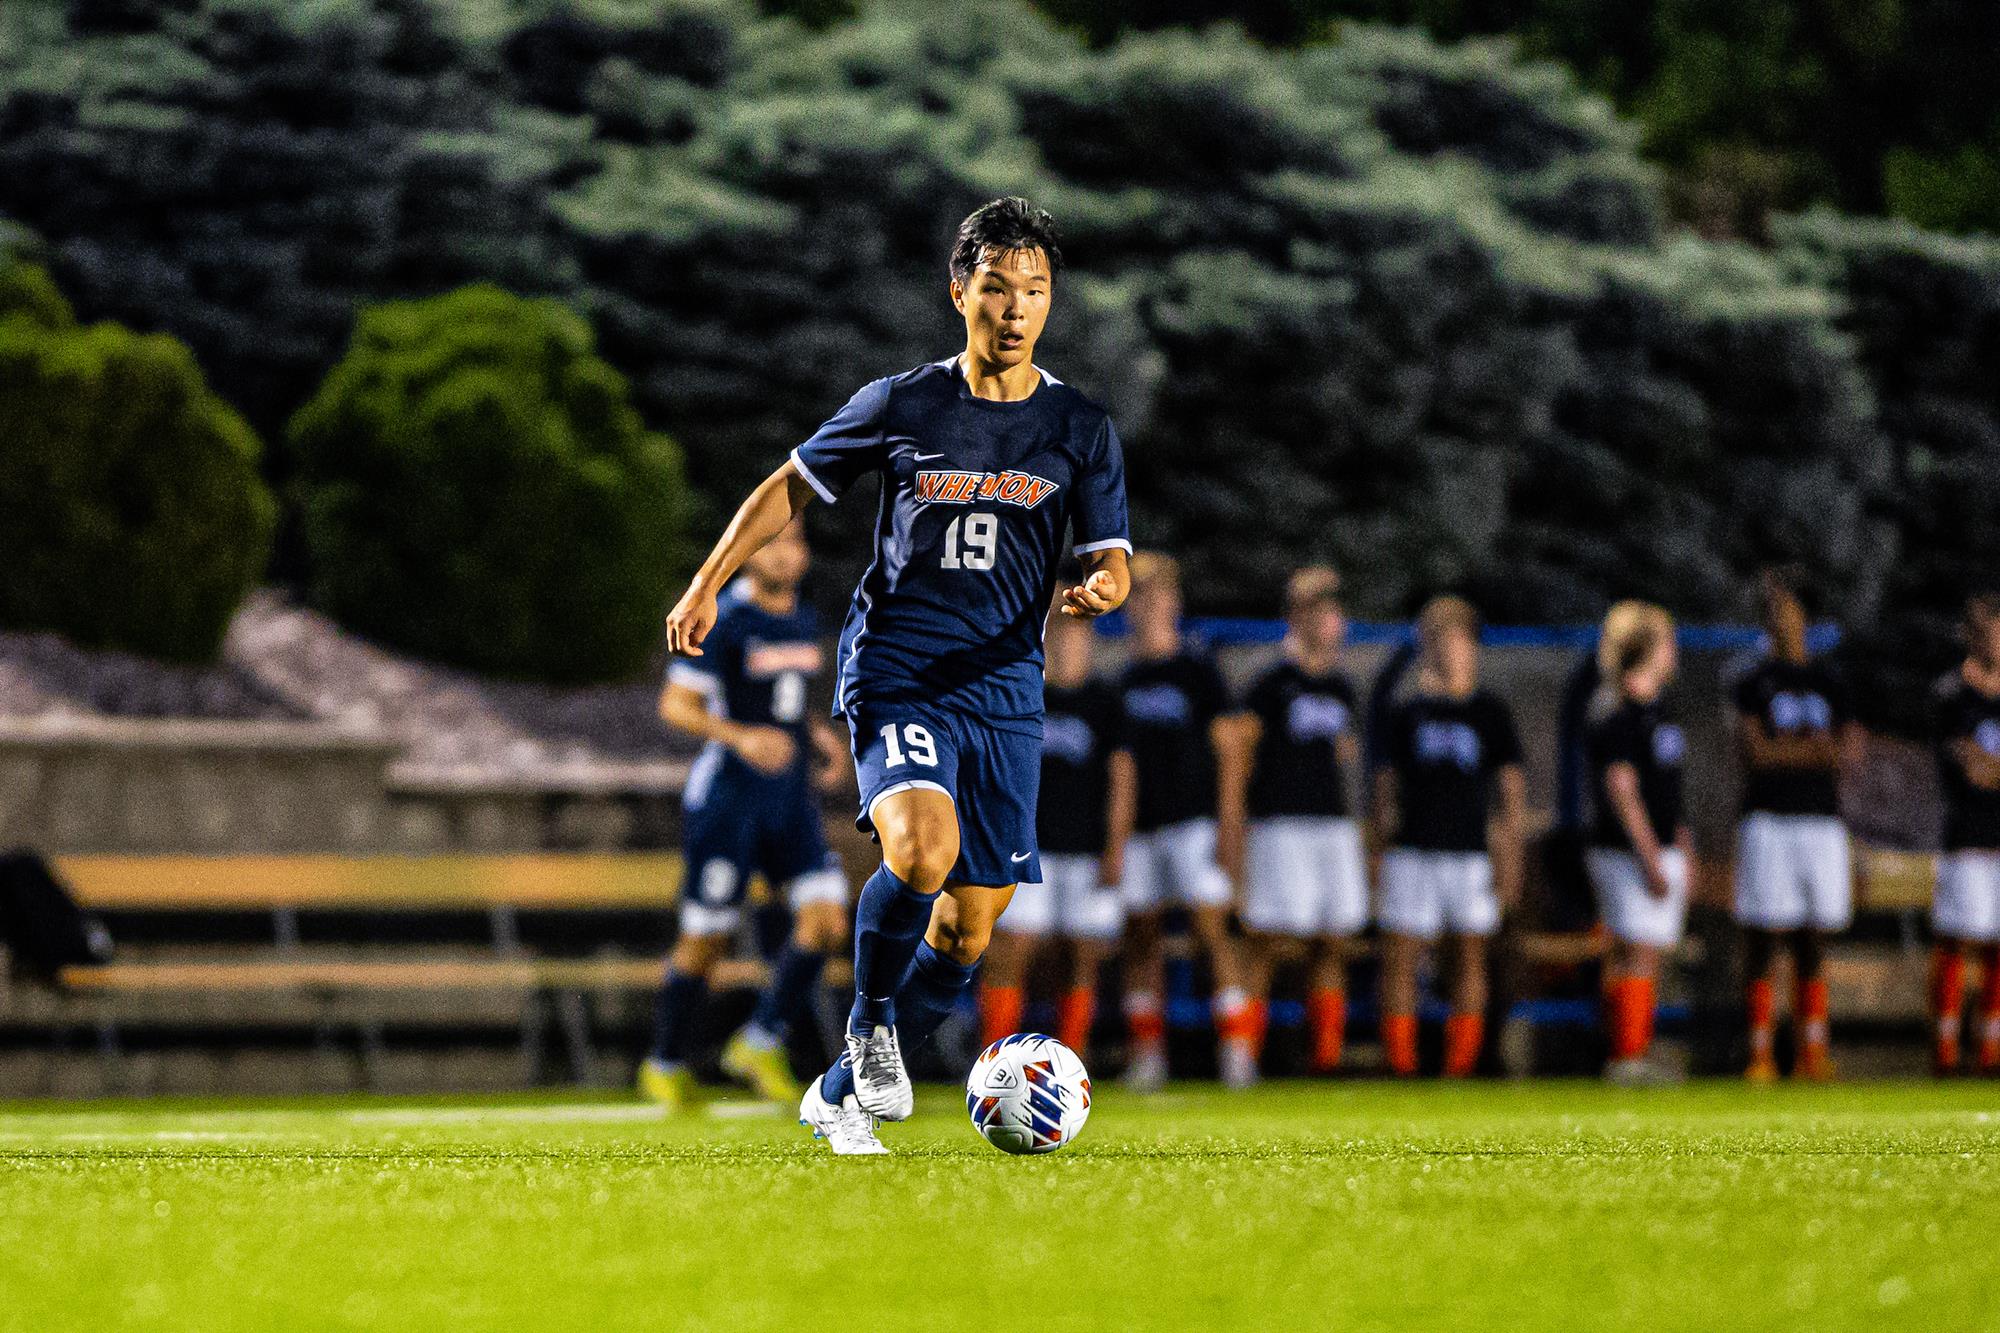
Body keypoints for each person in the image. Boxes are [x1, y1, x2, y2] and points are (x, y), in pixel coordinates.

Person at [663, 197, 1131, 1154]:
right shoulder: (902, 403)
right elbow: (788, 485)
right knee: (920, 849)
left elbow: (1112, 559)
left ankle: (838, 1090)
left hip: (1004, 690)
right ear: (959, 292)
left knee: (968, 931)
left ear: (1050, 303)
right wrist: (708, 582)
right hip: (897, 669)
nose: (1015, 309)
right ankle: (871, 1027)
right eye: (997, 288)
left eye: (1034, 292)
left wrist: (1100, 586)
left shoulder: (1081, 427)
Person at [640, 518, 850, 1110]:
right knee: (707, 937)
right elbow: (676, 706)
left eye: (797, 543)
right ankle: (664, 1061)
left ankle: (759, 1040)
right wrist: (741, 738)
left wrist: (815, 735)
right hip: (729, 800)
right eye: (775, 543)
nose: (787, 555)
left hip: (789, 798)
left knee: (827, 920)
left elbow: (780, 700)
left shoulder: (804, 617)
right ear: (751, 552)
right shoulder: (724, 617)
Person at [1216, 566, 1366, 1076]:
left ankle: (1324, 1059)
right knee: (1267, 939)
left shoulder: (1343, 686)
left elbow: (1345, 759)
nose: (1328, 617)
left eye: (1331, 607)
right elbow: (1240, 756)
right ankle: (1242, 1055)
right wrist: (1234, 826)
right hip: (1280, 824)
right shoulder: (1269, 682)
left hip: (1332, 826)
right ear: (1296, 615)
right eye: (1316, 608)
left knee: (1333, 938)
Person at [1115, 552, 1254, 1090]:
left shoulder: (1198, 670)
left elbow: (1231, 754)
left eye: (1157, 594)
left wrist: (1229, 826)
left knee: (1212, 930)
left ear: (1173, 602)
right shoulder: (1125, 679)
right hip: (1142, 829)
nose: (1149, 605)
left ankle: (1237, 1052)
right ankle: (1148, 1056)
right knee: (1141, 936)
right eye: (1139, 595)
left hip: (1195, 823)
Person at [977, 585, 1134, 1059]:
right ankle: (994, 1054)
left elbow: (1123, 779)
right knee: (1012, 949)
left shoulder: (1106, 702)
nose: (1067, 642)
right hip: (1029, 847)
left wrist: (1116, 848)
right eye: (1057, 633)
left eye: (1075, 633)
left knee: (1083, 956)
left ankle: (1071, 1058)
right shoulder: (1021, 693)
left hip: (1086, 848)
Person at [1374, 597, 1526, 1078]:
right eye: (1441, 638)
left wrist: (1510, 859)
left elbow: (1511, 793)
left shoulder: (1489, 711)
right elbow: (1384, 789)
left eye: (1460, 638)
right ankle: (1401, 1062)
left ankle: (1460, 1066)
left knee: (1469, 955)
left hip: (1469, 852)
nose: (1452, 650)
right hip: (1412, 849)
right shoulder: (1406, 712)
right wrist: (1378, 849)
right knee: (1401, 955)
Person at [1732, 571, 1858, 1082]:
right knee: (1763, 933)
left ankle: (1813, 1051)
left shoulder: (1830, 680)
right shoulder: (1752, 680)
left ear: (1802, 614)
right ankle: (1760, 1052)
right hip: (1769, 822)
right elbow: (1755, 751)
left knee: (1814, 936)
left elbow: (1847, 752)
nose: (1778, 619)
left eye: (1785, 607)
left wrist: (1791, 752)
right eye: (1770, 610)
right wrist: (1815, 751)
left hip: (1820, 823)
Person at [1584, 602, 1690, 1085]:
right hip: (1626, 852)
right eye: (1666, 642)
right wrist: (1650, 853)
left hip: (1660, 847)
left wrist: (1680, 839)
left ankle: (1633, 1050)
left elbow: (1668, 786)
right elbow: (1623, 792)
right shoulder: (1618, 713)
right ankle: (1626, 1056)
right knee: (1634, 949)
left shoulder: (1660, 712)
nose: (1674, 652)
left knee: (1647, 951)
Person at [1928, 591, 2000, 1076]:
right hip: (1967, 837)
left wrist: (1986, 765)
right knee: (1957, 939)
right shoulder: (1952, 693)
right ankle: (1946, 1048)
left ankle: (1991, 1046)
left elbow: (1983, 764)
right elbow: (1967, 768)